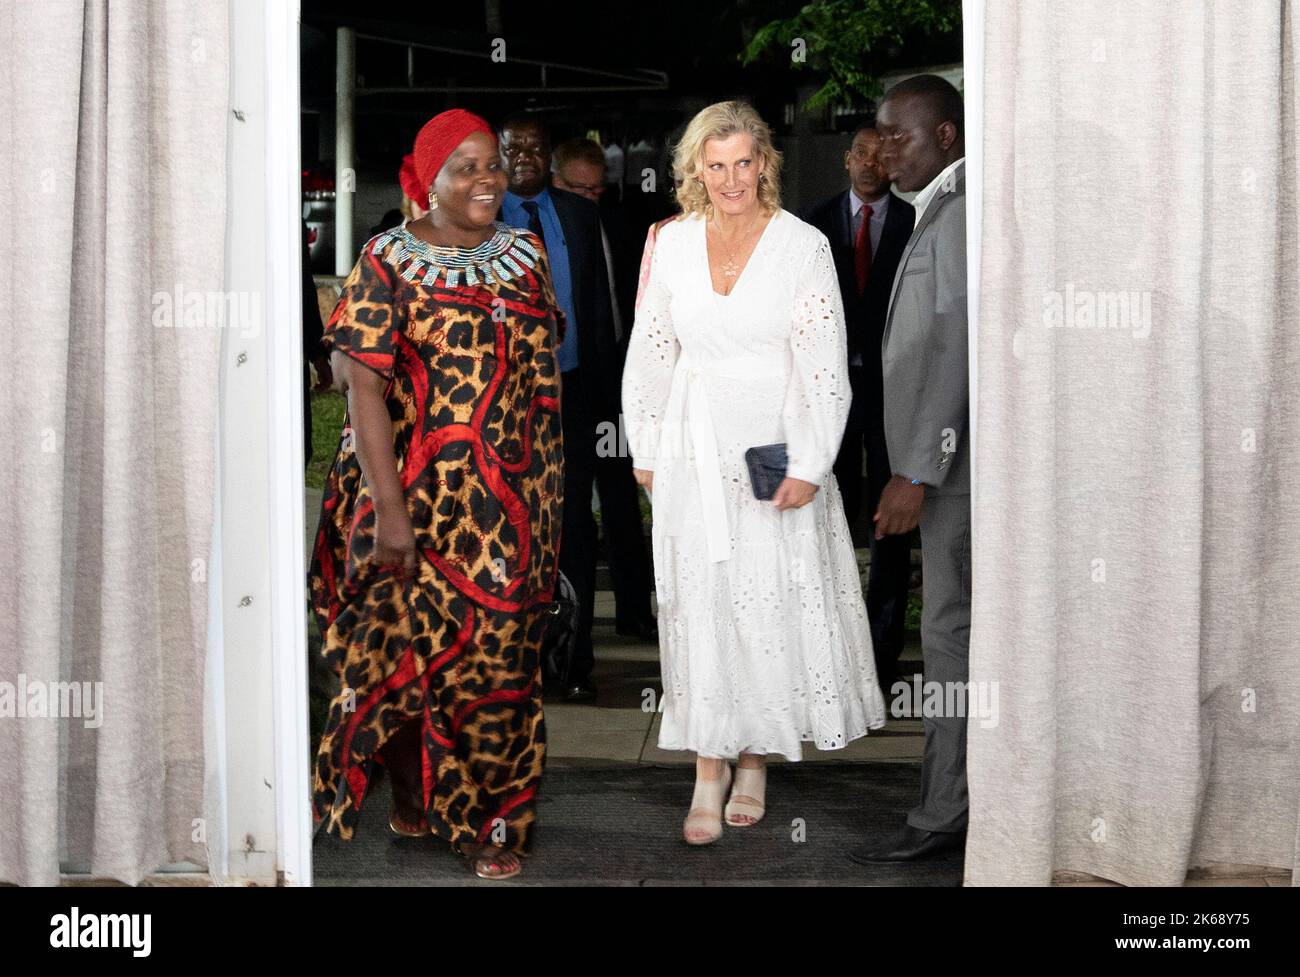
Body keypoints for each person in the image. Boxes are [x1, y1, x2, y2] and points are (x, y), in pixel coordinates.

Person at [309, 109, 565, 881]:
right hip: (409, 497)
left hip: (509, 503)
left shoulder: (525, 254)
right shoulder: (387, 258)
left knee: (500, 662)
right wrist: (389, 514)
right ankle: (421, 791)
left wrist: (549, 502)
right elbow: (362, 393)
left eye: (493, 165)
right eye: (467, 167)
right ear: (429, 178)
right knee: (405, 654)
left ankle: (493, 818)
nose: (487, 179)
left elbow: (543, 387)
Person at [622, 100, 887, 846]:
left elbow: (823, 363)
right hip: (692, 443)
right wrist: (645, 445)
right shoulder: (669, 243)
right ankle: (707, 770)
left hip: (773, 440)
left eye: (744, 162)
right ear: (695, 170)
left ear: (764, 163)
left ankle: (755, 758)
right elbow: (650, 350)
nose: (731, 178)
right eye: (716, 164)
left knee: (762, 603)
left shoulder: (803, 245)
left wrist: (809, 460)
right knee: (701, 603)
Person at [848, 74, 970, 865]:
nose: (885, 152)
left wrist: (917, 470)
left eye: (901, 136)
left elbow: (959, 346)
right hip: (945, 468)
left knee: (950, 637)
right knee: (952, 633)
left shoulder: (961, 217)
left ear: (947, 136)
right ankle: (951, 802)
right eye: (880, 137)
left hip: (954, 472)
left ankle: (943, 813)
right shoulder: (941, 209)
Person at [498, 115, 622, 701]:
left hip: (571, 395)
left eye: (535, 146)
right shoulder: (483, 217)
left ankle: (571, 663)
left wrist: (605, 398)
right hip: (500, 405)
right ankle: (509, 663)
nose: (523, 154)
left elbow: (599, 312)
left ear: (549, 157)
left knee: (572, 525)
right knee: (507, 525)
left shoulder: (578, 214)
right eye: (512, 146)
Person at [802, 125, 915, 691]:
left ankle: (884, 649)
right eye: (861, 154)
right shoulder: (810, 223)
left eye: (881, 155)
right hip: (828, 393)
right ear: (846, 160)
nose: (870, 164)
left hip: (894, 392)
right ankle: (832, 646)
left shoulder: (915, 223)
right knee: (831, 515)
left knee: (891, 525)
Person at [553, 136, 658, 641]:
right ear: (558, 182)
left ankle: (636, 611)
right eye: (580, 189)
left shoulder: (622, 222)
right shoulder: (543, 227)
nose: (590, 199)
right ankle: (568, 624)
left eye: (599, 190)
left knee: (620, 500)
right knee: (572, 509)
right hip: (566, 388)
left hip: (617, 386)